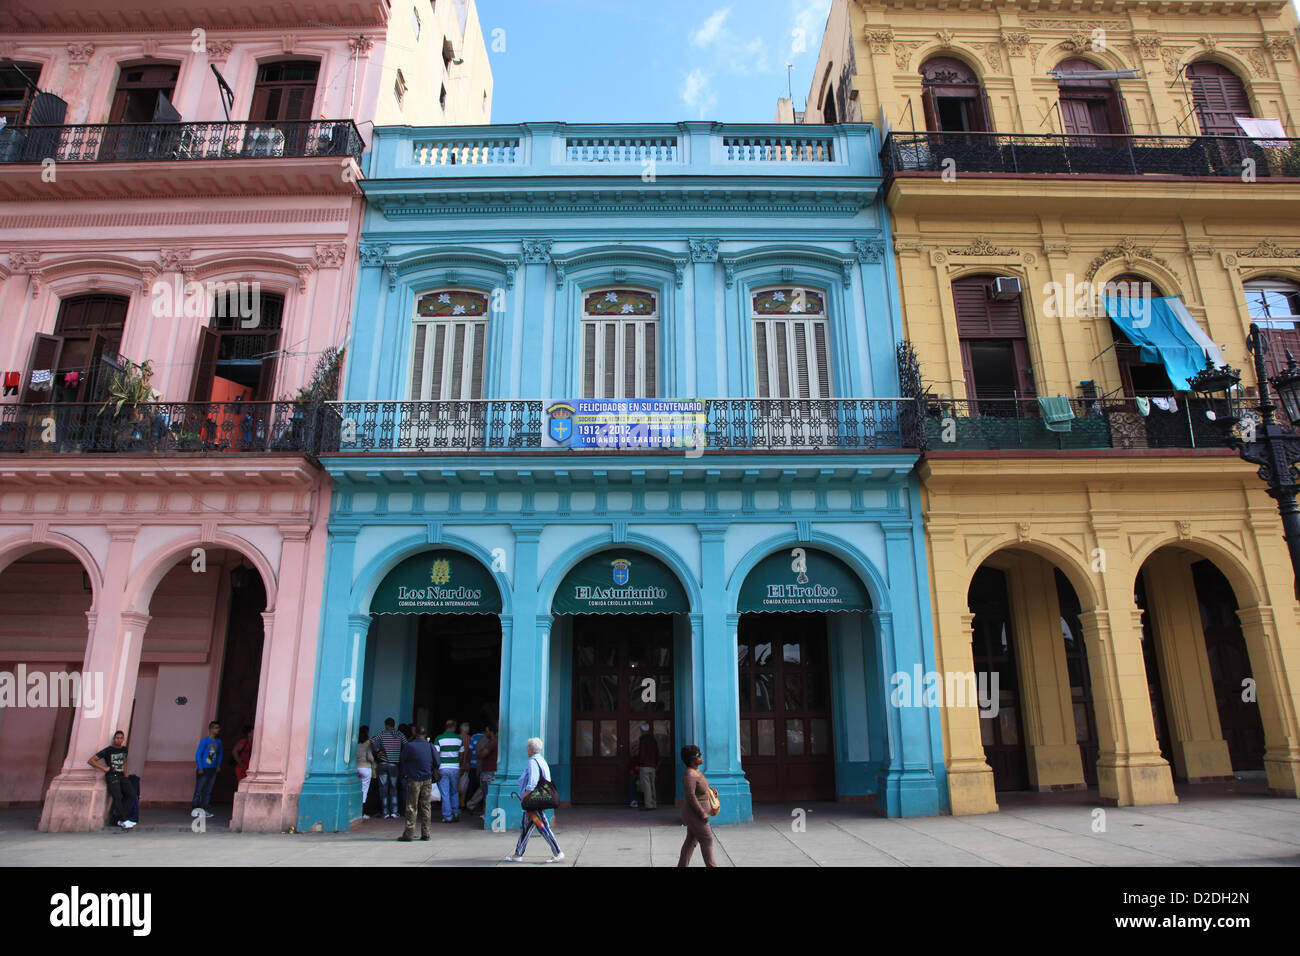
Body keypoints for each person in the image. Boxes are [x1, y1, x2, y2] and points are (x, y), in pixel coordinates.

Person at [505, 737, 564, 863]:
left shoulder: (533, 761)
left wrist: (524, 797)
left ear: (531, 749)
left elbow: (532, 783)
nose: (527, 749)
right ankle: (518, 853)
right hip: (537, 800)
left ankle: (558, 852)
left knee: (543, 827)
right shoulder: (541, 760)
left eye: (527, 747)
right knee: (526, 826)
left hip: (534, 801)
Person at [677, 744, 717, 867]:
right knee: (707, 839)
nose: (701, 756)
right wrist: (701, 813)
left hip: (698, 813)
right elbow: (690, 796)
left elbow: (701, 787)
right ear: (691, 759)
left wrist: (711, 790)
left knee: (691, 840)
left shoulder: (696, 771)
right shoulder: (690, 774)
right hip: (694, 814)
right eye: (698, 755)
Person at [88, 730, 137, 829]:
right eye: (117, 738)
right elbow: (91, 760)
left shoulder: (124, 749)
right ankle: (124, 820)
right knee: (117, 797)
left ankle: (122, 818)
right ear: (114, 739)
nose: (119, 740)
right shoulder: (108, 750)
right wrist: (104, 768)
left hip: (121, 776)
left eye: (121, 738)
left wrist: (125, 774)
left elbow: (124, 762)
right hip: (111, 776)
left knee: (132, 795)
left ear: (123, 739)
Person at [397, 725, 435, 841]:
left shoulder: (409, 746)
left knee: (411, 806)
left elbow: (402, 760)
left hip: (413, 779)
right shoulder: (430, 746)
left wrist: (405, 773)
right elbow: (437, 761)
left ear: (415, 733)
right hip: (427, 779)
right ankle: (426, 832)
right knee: (426, 805)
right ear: (425, 734)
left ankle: (409, 833)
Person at [371, 718, 406, 819]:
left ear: (386, 725)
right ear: (394, 725)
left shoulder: (382, 734)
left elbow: (372, 741)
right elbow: (406, 745)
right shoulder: (399, 734)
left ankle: (385, 812)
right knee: (393, 788)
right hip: (394, 764)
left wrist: (377, 752)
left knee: (383, 788)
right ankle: (394, 812)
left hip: (382, 763)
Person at [434, 719, 463, 823]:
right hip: (455, 767)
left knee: (445, 793)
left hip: (443, 767)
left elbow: (436, 754)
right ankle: (456, 812)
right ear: (454, 727)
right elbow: (461, 754)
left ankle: (447, 816)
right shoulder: (459, 739)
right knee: (454, 791)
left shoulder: (439, 738)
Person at [192, 721, 222, 818]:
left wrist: (218, 765)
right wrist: (200, 767)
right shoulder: (205, 741)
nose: (217, 730)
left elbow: (220, 754)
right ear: (210, 729)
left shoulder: (218, 742)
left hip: (212, 769)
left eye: (218, 728)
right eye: (216, 728)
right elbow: (198, 754)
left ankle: (204, 809)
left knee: (208, 791)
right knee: (199, 790)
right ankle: (195, 809)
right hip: (204, 769)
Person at [467, 724, 496, 812]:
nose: (485, 733)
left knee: (485, 792)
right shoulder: (491, 741)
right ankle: (473, 806)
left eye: (487, 731)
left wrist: (479, 755)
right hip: (489, 770)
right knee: (484, 791)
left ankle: (475, 806)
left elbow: (482, 754)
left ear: (491, 732)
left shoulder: (491, 742)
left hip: (487, 770)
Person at [635, 722, 659, 810]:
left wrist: (639, 763)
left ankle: (648, 805)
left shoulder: (643, 740)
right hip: (652, 765)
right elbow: (657, 753)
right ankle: (654, 803)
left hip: (645, 765)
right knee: (652, 785)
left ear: (642, 730)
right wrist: (656, 764)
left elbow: (642, 754)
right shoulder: (653, 740)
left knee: (647, 786)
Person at [357, 725, 377, 817]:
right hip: (366, 768)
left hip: (357, 767)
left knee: (357, 789)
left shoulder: (356, 745)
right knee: (364, 790)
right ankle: (362, 813)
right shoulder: (367, 745)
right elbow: (370, 757)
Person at [459, 722, 476, 806]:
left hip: (457, 766)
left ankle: (456, 803)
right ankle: (462, 802)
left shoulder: (457, 738)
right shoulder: (470, 738)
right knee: (465, 785)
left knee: (455, 785)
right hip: (467, 766)